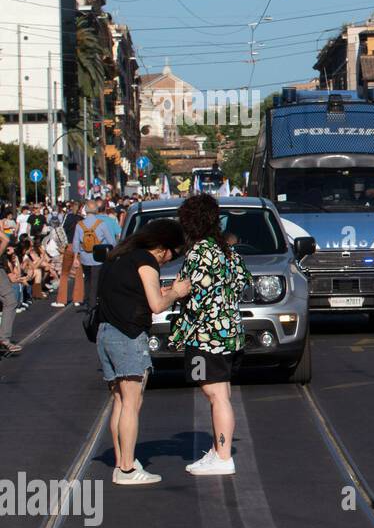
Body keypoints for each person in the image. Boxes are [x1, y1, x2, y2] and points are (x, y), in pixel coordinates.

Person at [96, 220, 191, 484]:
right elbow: (158, 305)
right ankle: (127, 468)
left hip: (105, 333)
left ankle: (121, 461)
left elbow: (125, 294)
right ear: (162, 248)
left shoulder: (118, 257)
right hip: (127, 336)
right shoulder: (146, 261)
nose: (169, 260)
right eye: (172, 253)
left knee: (120, 401)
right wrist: (175, 292)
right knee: (132, 403)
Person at [170, 194, 252, 477]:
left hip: (207, 335)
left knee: (215, 394)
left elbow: (188, 291)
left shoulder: (198, 252)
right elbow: (243, 281)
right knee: (222, 391)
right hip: (232, 332)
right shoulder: (228, 251)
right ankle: (219, 450)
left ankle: (223, 455)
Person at [74, 200, 117, 309]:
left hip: (84, 256)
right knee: (96, 280)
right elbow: (111, 241)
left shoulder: (80, 225)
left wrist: (75, 257)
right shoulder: (101, 224)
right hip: (98, 256)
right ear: (96, 210)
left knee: (87, 279)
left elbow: (75, 241)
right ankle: (93, 305)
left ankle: (88, 301)